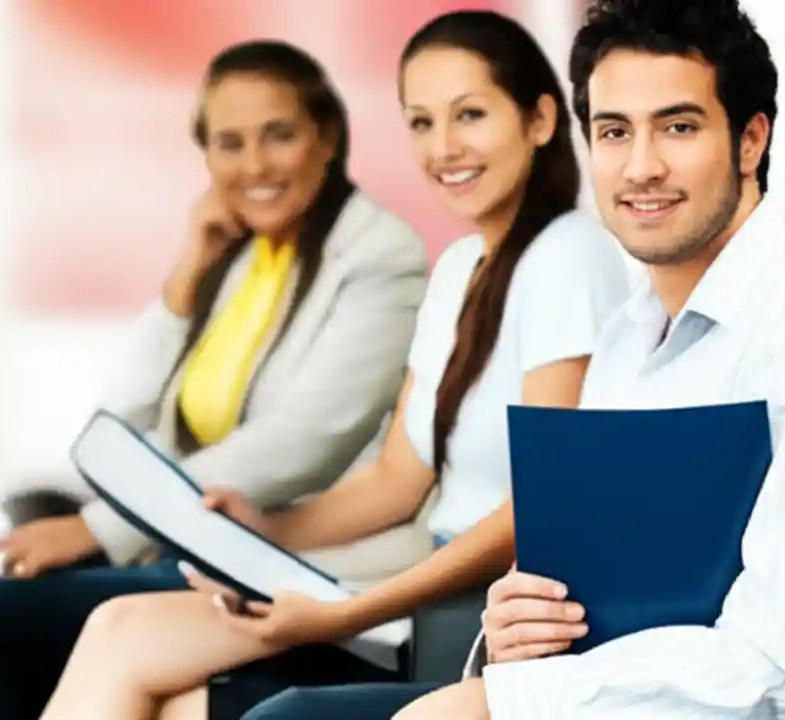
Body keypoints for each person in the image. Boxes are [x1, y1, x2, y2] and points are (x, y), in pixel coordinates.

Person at [257, 1, 785, 718]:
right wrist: (513, 628)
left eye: (678, 127)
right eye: (613, 132)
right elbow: (586, 582)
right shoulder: (629, 335)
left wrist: (501, 702)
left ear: (751, 140)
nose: (641, 167)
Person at [38, 11, 630, 720]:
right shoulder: (460, 270)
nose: (444, 147)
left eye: (469, 115)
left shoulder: (569, 256)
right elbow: (395, 481)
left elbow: (539, 507)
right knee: (119, 630)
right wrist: (261, 532)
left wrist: (344, 613)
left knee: (175, 694)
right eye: (421, 122)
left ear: (538, 120)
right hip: (418, 591)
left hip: (475, 613)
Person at [0, 40, 432, 720]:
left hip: (298, 568)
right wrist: (183, 282)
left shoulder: (378, 257)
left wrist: (101, 531)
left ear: (328, 136)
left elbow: (303, 440)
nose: (254, 165)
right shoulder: (240, 257)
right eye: (229, 143)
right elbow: (119, 430)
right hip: (195, 551)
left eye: (278, 135)